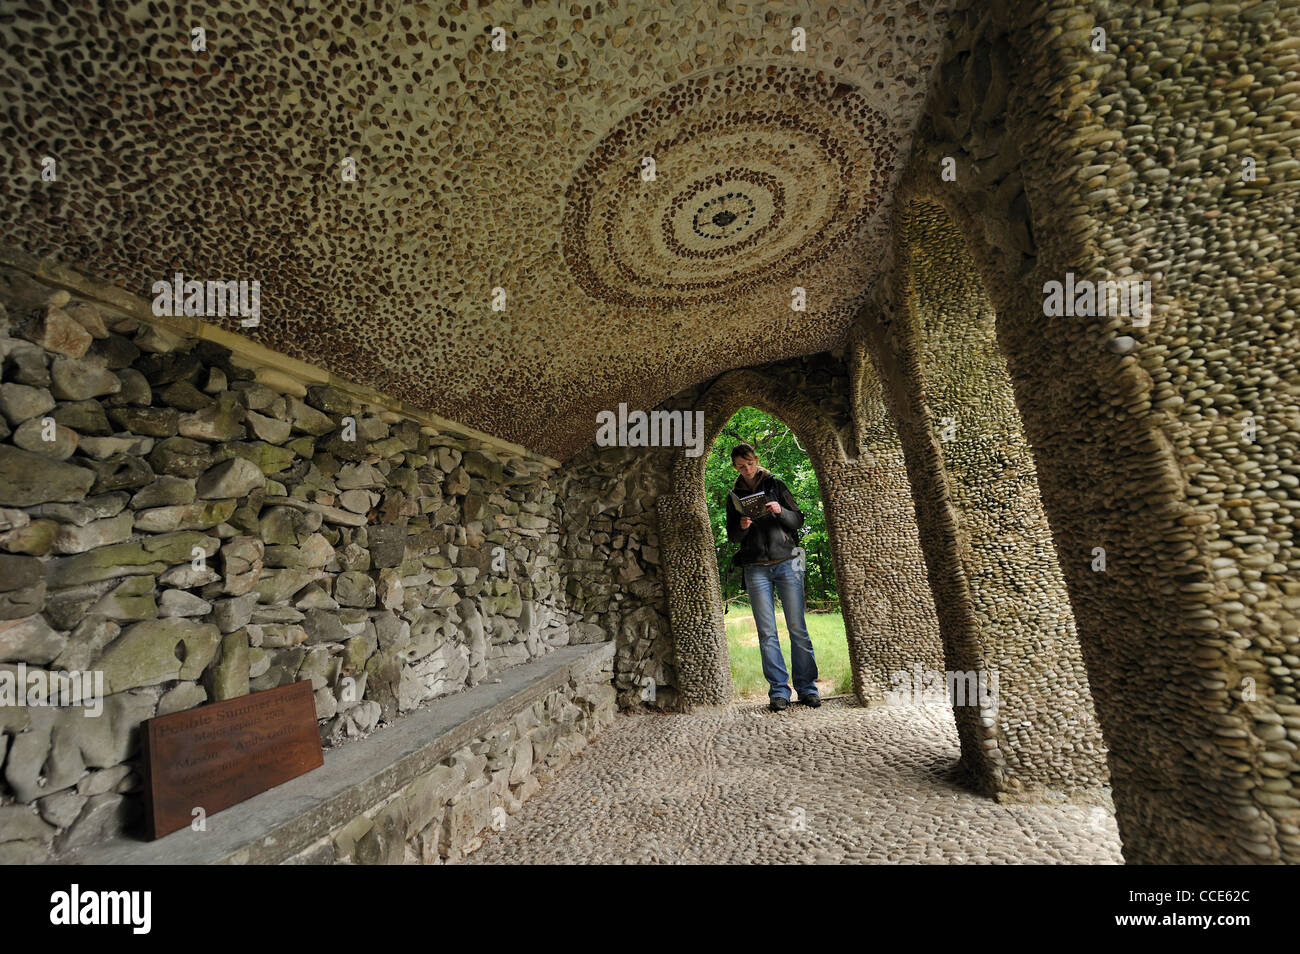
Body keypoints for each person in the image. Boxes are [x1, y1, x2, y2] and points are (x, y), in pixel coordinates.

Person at [724, 443, 820, 712]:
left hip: (788, 563)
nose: (747, 469)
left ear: (757, 460)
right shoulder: (733, 495)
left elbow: (798, 519)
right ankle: (779, 691)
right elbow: (733, 536)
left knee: (797, 628)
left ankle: (807, 688)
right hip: (755, 567)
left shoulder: (775, 483)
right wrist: (742, 527)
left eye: (750, 464)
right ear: (736, 467)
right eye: (741, 467)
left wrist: (780, 510)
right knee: (766, 634)